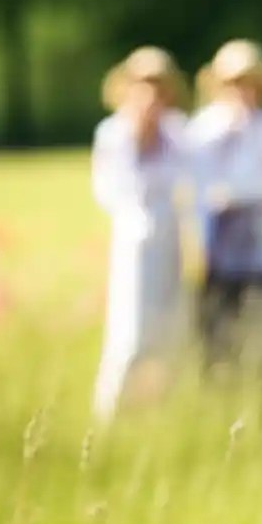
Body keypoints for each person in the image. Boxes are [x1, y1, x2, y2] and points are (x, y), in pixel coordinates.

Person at [188, 39, 262, 388]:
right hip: (219, 251)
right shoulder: (205, 129)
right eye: (234, 82)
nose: (242, 90)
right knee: (219, 339)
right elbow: (194, 192)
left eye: (249, 82)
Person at [91, 46, 190, 420]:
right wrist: (138, 133)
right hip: (133, 242)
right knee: (129, 333)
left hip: (170, 238)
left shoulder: (176, 131)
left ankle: (159, 411)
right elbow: (109, 191)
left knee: (170, 333)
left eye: (158, 86)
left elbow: (187, 181)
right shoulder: (114, 132)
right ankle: (110, 414)